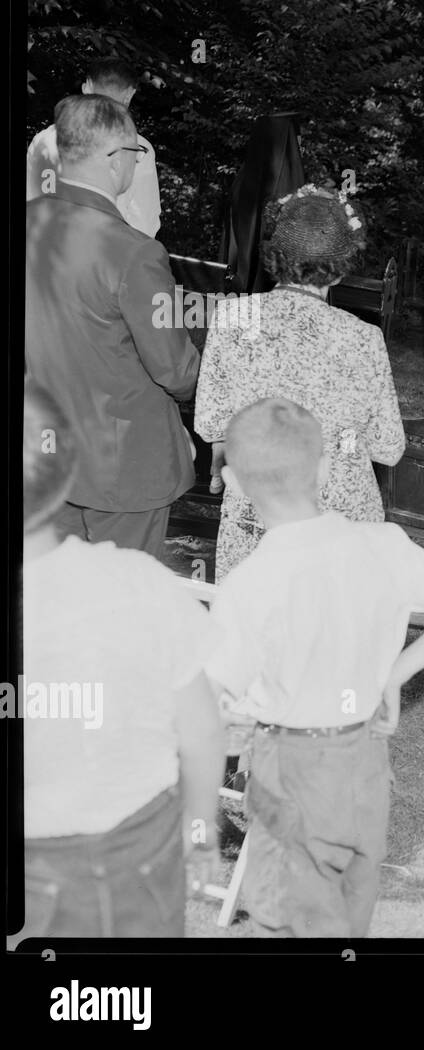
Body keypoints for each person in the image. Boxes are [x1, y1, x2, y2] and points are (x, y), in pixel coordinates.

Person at [203, 398, 424, 937]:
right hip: (364, 765)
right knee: (346, 914)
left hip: (289, 772)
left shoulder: (249, 586)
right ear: (325, 469)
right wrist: (396, 672)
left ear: (235, 483)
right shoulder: (384, 544)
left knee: (287, 922)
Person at [20, 379, 225, 940]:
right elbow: (203, 732)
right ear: (67, 471)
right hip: (139, 851)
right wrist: (200, 827)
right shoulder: (142, 583)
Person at [195, 184, 405, 581]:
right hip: (339, 523)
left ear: (274, 254)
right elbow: (389, 448)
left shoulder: (233, 318)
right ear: (342, 265)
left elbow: (209, 421)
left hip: (257, 518)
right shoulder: (362, 338)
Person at [26, 93, 200, 560]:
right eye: (136, 152)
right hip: (122, 468)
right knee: (123, 608)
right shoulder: (135, 252)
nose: (137, 163)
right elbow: (176, 371)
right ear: (113, 159)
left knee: (53, 601)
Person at [27, 56, 161, 238]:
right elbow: (144, 222)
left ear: (87, 87)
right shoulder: (138, 148)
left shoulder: (45, 139)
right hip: (107, 255)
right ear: (129, 95)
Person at [219, 113, 306, 294]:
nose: (301, 146)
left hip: (237, 291)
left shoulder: (241, 182)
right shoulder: (291, 187)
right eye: (297, 139)